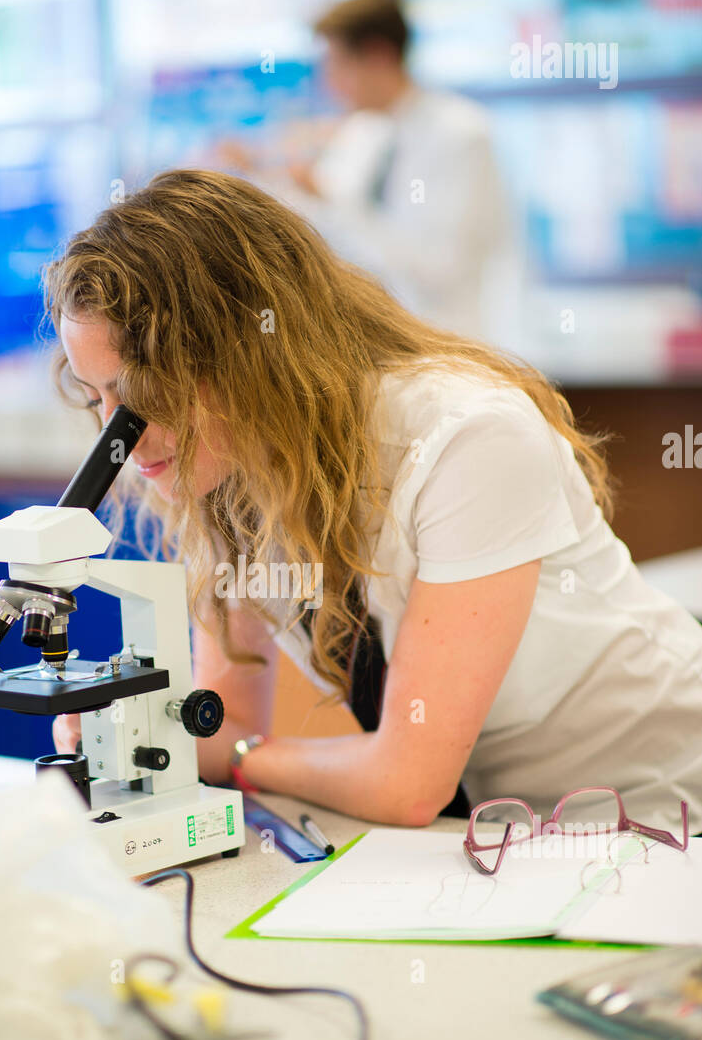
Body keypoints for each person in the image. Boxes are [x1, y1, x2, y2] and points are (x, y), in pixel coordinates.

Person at [47, 169, 702, 836]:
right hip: (499, 834)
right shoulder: (231, 469)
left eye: (139, 395)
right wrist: (130, 728)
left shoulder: (466, 437)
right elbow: (230, 723)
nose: (120, 440)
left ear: (241, 353)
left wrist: (247, 760)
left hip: (661, 806)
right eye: (96, 397)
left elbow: (405, 783)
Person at [218, 0, 520, 347]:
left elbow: (441, 264)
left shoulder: (460, 134)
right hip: (379, 341)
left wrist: (336, 203)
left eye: (337, 64)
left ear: (379, 56)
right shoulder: (365, 132)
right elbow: (329, 231)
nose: (328, 82)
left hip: (450, 341)